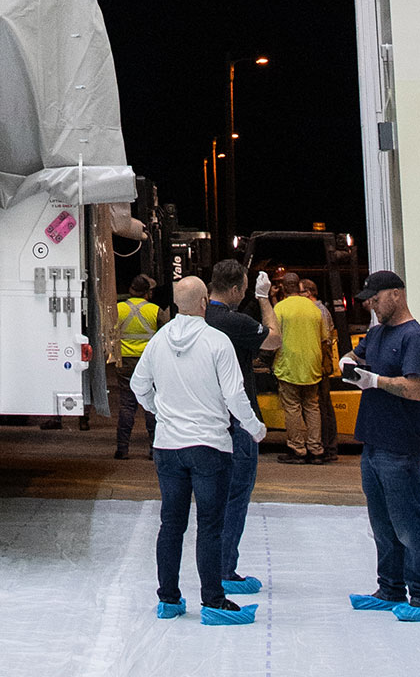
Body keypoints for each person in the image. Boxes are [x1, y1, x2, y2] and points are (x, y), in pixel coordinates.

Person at [132, 276, 269, 626]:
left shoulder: (159, 340)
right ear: (205, 302)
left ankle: (168, 599)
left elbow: (138, 385)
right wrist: (255, 428)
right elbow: (235, 394)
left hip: (168, 447)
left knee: (171, 524)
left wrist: (158, 411)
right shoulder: (216, 341)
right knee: (210, 525)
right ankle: (213, 601)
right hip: (209, 446)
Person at [341, 270, 420, 622]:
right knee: (382, 523)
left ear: (396, 294)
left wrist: (375, 381)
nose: (371, 304)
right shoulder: (376, 333)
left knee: (408, 523)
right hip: (372, 440)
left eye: (376, 298)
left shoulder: (415, 338)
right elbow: (356, 356)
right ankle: (390, 588)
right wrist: (348, 364)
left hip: (398, 445)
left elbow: (416, 389)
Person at [204, 260, 274, 595]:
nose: (244, 294)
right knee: (236, 494)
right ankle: (224, 570)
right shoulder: (234, 322)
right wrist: (264, 299)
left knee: (211, 498)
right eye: (244, 289)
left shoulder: (196, 320)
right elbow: (274, 340)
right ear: (234, 289)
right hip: (236, 420)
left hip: (203, 418)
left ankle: (212, 566)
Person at [268, 272, 331, 463]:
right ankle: (316, 449)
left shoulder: (280, 308)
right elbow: (324, 339)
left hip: (289, 364)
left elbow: (273, 337)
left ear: (284, 287)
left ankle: (298, 449)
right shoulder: (314, 308)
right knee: (312, 407)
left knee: (292, 408)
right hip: (312, 365)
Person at [114, 275, 163, 459]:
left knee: (127, 405)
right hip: (148, 363)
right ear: (147, 293)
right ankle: (153, 449)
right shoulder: (155, 310)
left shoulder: (118, 309)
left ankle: (122, 449)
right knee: (150, 405)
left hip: (125, 362)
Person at [300, 278, 341, 462]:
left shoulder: (318, 310)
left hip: (319, 364)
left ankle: (327, 447)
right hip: (320, 362)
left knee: (321, 406)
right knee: (323, 405)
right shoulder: (319, 309)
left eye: (301, 292)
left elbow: (324, 339)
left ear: (309, 292)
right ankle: (328, 446)